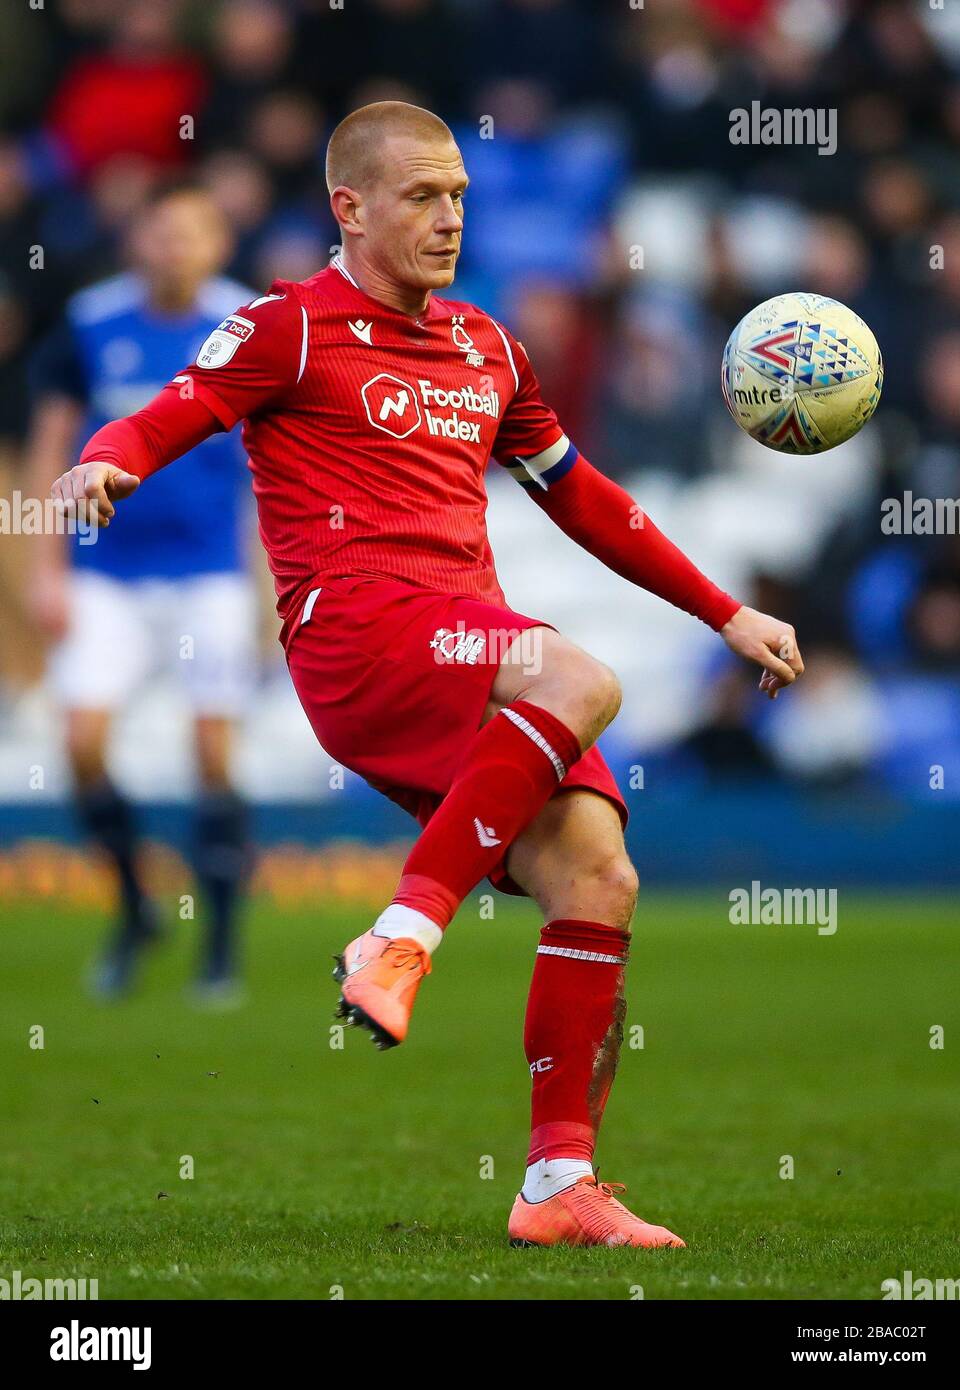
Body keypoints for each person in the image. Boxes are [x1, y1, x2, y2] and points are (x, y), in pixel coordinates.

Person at [49, 103, 804, 1247]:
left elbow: (585, 497)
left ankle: (558, 1181)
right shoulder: (286, 328)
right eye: (420, 197)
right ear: (349, 208)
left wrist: (725, 609)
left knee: (598, 875)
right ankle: (403, 931)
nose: (450, 217)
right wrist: (104, 465)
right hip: (356, 635)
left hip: (466, 646)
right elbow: (170, 413)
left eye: (458, 194)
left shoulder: (488, 346)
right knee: (578, 674)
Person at [29, 182, 256, 1004]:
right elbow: (49, 447)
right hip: (107, 574)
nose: (175, 249)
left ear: (217, 244)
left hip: (209, 575)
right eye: (160, 233)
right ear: (139, 242)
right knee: (82, 743)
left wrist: (274, 585)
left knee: (212, 755)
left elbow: (271, 466)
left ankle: (221, 947)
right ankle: (135, 906)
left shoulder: (247, 327)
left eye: (192, 233)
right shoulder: (91, 325)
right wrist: (42, 565)